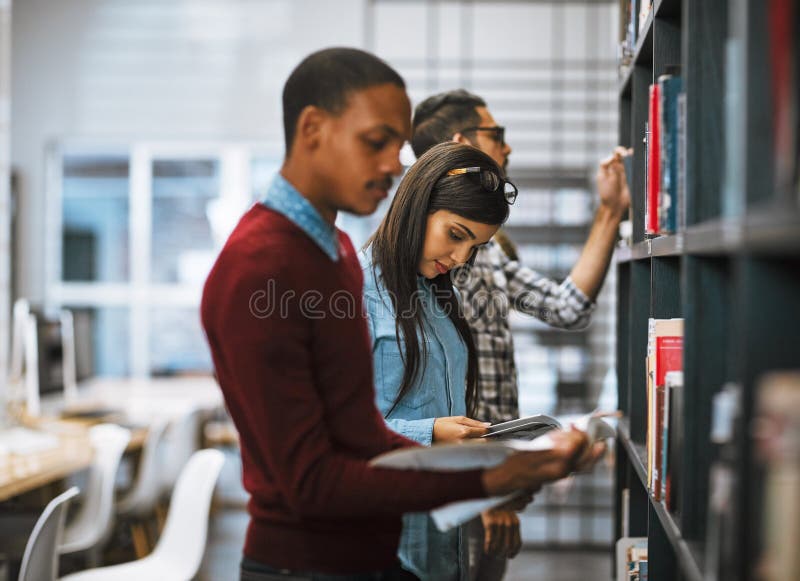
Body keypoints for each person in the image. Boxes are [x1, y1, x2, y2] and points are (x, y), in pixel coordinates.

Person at [201, 48, 595, 581]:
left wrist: (506, 464)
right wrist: (492, 475)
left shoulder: (332, 251)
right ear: (312, 128)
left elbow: (361, 438)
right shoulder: (261, 267)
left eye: (399, 144)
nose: (394, 163)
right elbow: (314, 481)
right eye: (376, 142)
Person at [410, 89, 629, 579]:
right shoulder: (426, 251)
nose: (507, 149)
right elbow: (428, 394)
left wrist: (610, 212)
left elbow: (565, 308)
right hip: (458, 487)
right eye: (498, 136)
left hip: (492, 483)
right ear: (462, 142)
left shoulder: (484, 251)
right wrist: (479, 491)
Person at [362, 141, 521, 581]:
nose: (460, 258)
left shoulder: (434, 294)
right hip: (381, 540)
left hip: (440, 532)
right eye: (456, 235)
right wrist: (429, 434)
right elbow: (336, 434)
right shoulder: (355, 292)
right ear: (417, 205)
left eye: (475, 247)